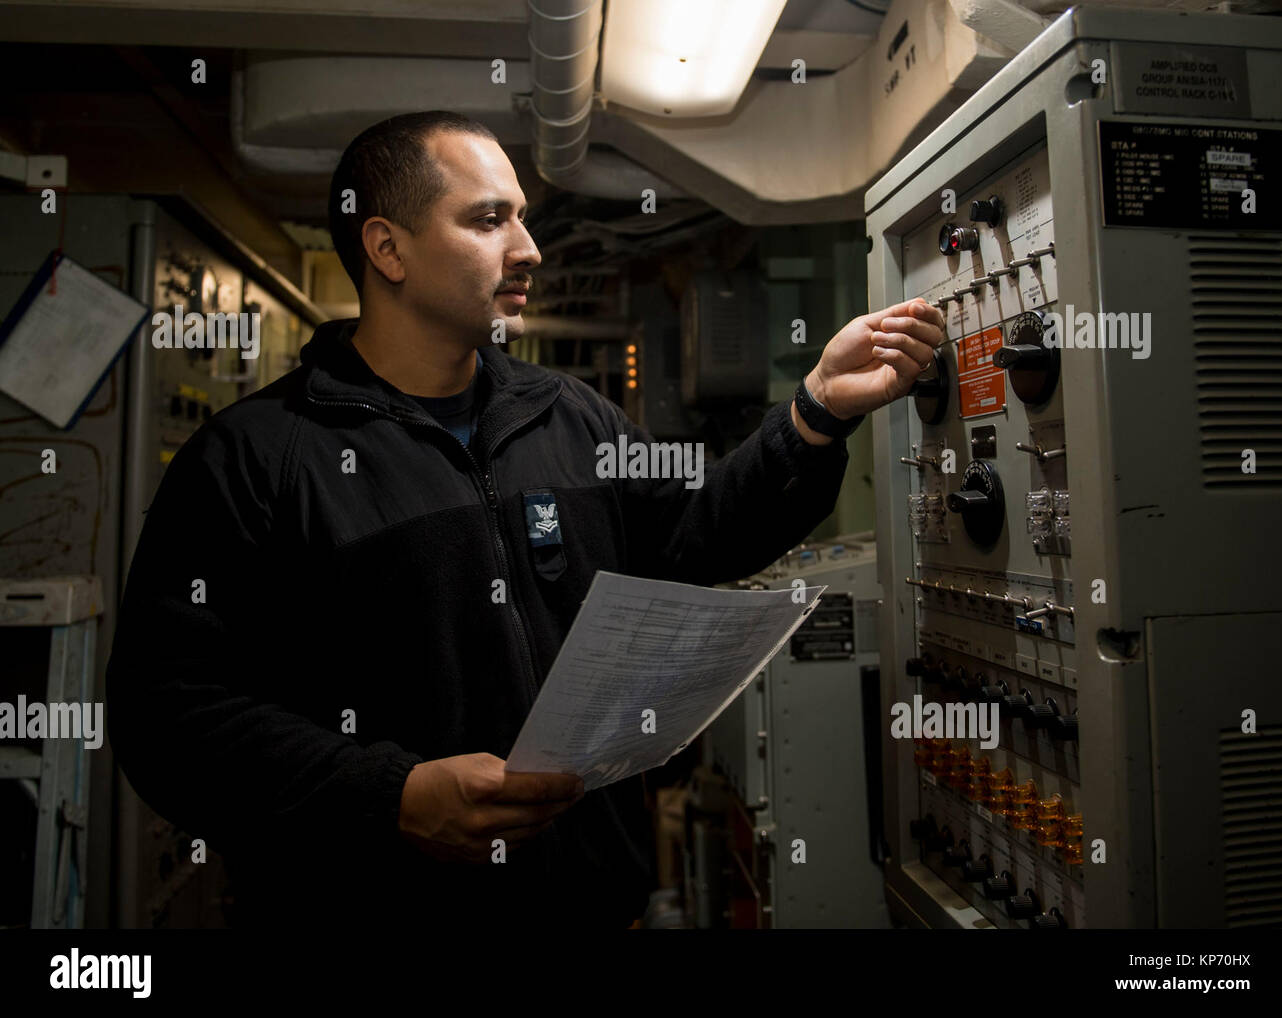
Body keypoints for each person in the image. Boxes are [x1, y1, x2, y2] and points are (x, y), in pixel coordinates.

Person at [105, 111, 945, 928]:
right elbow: (168, 717)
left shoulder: (567, 416)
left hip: (589, 903)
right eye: (487, 219)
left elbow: (699, 533)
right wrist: (389, 796)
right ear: (386, 248)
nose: (529, 249)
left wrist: (817, 413)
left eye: (523, 218)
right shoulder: (254, 460)